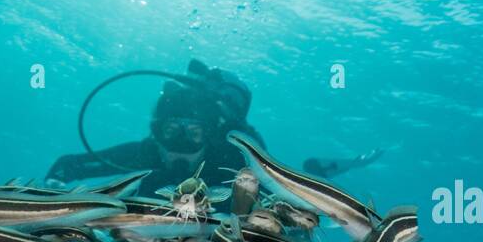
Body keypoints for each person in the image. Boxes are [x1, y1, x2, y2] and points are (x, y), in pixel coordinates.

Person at [46, 59, 381, 197]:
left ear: (209, 135)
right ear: (155, 132)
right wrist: (53, 191)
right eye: (170, 132)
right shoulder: (145, 154)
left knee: (296, 192)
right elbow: (68, 164)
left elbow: (288, 199)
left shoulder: (232, 161)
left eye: (192, 134)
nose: (178, 146)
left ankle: (320, 168)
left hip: (236, 192)